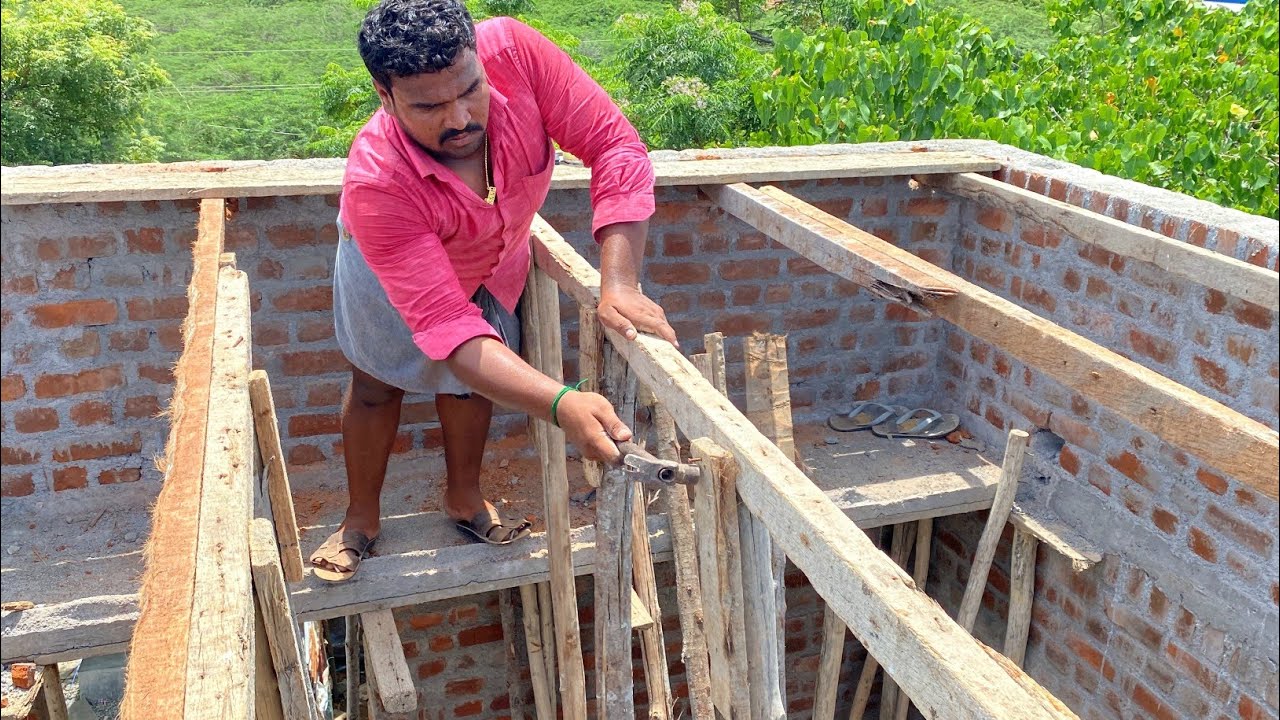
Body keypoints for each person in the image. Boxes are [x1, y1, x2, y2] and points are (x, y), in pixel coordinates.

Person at [309, 0, 677, 581]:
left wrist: (620, 282)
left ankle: (465, 499)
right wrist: (561, 404)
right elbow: (448, 329)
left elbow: (615, 146)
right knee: (376, 386)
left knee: (466, 386)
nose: (459, 119)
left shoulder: (515, 52)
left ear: (480, 59)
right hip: (393, 276)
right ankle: (360, 520)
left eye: (470, 90)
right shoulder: (377, 182)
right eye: (429, 106)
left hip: (494, 259)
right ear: (385, 92)